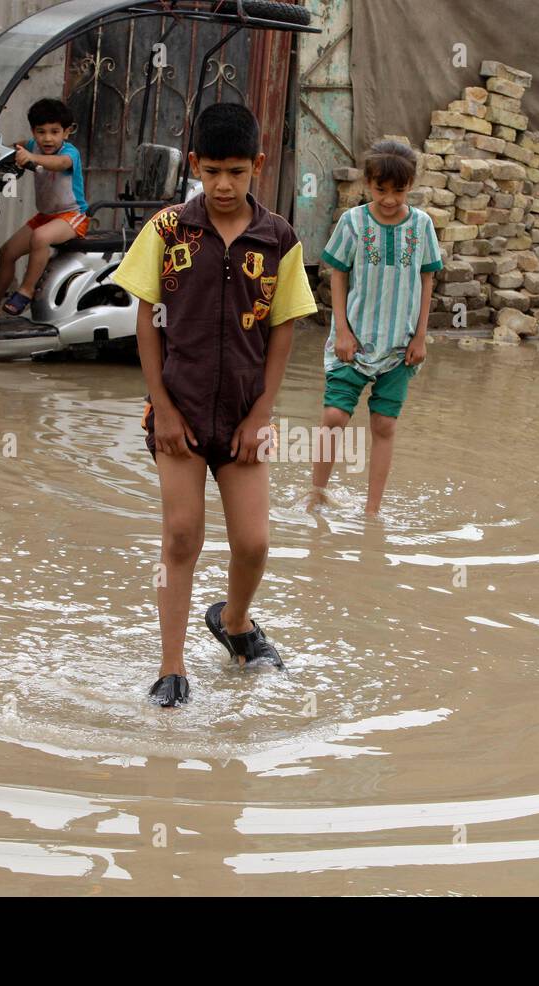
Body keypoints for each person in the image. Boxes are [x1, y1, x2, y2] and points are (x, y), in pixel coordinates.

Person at [112, 103, 318, 707]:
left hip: (242, 418)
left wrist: (262, 414)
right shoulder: (168, 230)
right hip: (178, 410)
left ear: (257, 165)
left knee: (254, 544)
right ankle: (171, 667)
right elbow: (146, 319)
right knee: (181, 536)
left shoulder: (279, 239)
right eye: (212, 173)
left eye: (236, 172)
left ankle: (234, 624)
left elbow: (284, 328)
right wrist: (162, 404)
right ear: (194, 165)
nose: (224, 185)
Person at [311, 139, 442, 516]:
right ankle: (316, 496)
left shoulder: (421, 226)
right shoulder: (353, 223)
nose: (388, 198)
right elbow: (338, 274)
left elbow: (427, 279)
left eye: (398, 190)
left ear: (411, 185)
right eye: (380, 189)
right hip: (353, 341)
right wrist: (342, 332)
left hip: (400, 346)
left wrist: (421, 336)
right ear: (368, 183)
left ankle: (372, 511)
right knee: (334, 416)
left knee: (384, 424)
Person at [0, 98, 89, 322]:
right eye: (41, 132)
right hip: (46, 216)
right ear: (33, 131)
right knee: (6, 252)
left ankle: (26, 291)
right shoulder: (31, 146)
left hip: (72, 216)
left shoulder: (70, 153)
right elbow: (11, 149)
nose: (47, 138)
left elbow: (59, 163)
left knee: (40, 237)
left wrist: (31, 157)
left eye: (55, 131)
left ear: (66, 133)